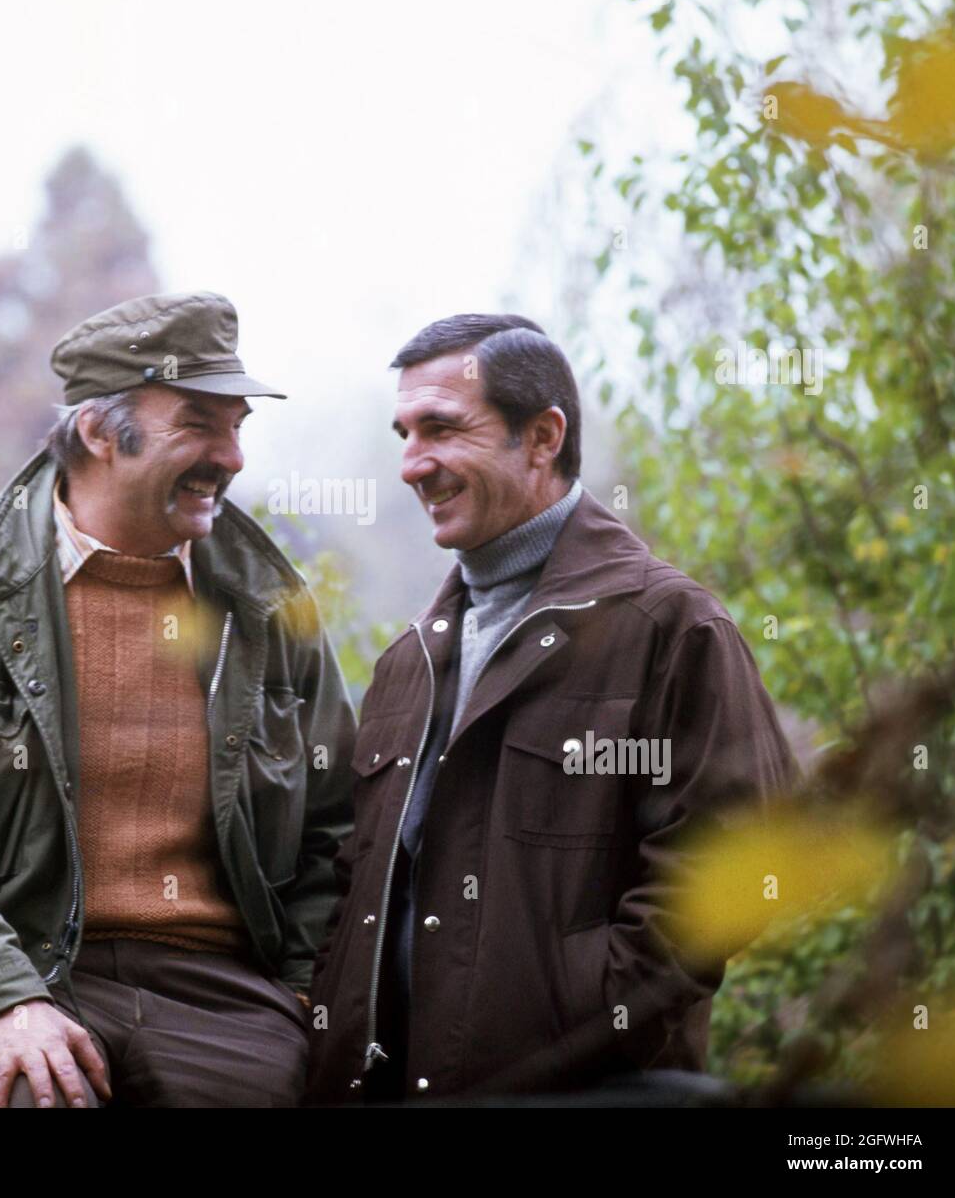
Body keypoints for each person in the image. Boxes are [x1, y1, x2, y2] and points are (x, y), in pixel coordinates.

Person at [0, 290, 356, 1107]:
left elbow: (338, 829)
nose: (233, 456)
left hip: (221, 999)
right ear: (99, 431)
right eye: (201, 422)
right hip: (2, 976)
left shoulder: (270, 608)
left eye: (239, 425)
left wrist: (304, 995)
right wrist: (0, 996)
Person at [303, 312, 800, 1104]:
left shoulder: (670, 627)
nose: (410, 464)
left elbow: (739, 870)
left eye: (440, 428)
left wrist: (578, 1027)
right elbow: (354, 881)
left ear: (541, 437)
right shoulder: (409, 663)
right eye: (403, 432)